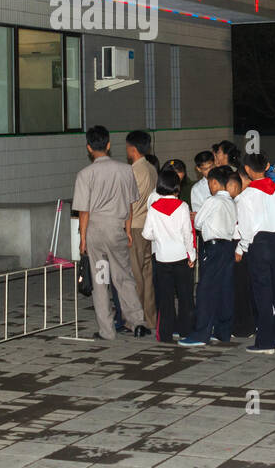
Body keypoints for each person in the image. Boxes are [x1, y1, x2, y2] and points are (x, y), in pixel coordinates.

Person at [73, 125, 146, 341]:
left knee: (100, 280)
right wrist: (128, 229)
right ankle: (137, 322)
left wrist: (83, 238)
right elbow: (130, 203)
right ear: (108, 144)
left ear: (88, 147)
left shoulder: (85, 174)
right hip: (117, 229)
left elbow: (83, 211)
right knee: (123, 277)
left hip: (95, 231)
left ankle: (107, 330)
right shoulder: (125, 170)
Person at [235, 153, 275, 353]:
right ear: (266, 167)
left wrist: (242, 247)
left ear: (248, 171)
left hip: (258, 244)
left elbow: (245, 229)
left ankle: (265, 341)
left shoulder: (245, 197)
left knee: (262, 293)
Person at [180, 165, 239, 347]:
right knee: (224, 289)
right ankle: (223, 331)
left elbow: (197, 223)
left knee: (206, 290)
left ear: (213, 183)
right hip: (228, 246)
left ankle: (201, 334)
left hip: (213, 248)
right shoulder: (231, 202)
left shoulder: (211, 201)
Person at [144, 168, 197, 342]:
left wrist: (159, 237)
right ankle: (185, 331)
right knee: (185, 296)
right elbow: (187, 233)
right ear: (177, 187)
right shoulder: (182, 206)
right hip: (181, 256)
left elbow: (146, 234)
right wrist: (192, 254)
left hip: (162, 258)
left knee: (165, 298)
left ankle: (165, 334)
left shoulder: (153, 208)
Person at [125, 130, 159, 333]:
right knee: (147, 275)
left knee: (135, 275)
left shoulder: (134, 171)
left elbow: (128, 203)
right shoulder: (151, 168)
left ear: (133, 149)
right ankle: (150, 317)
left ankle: (135, 320)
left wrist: (127, 228)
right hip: (149, 225)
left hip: (136, 226)